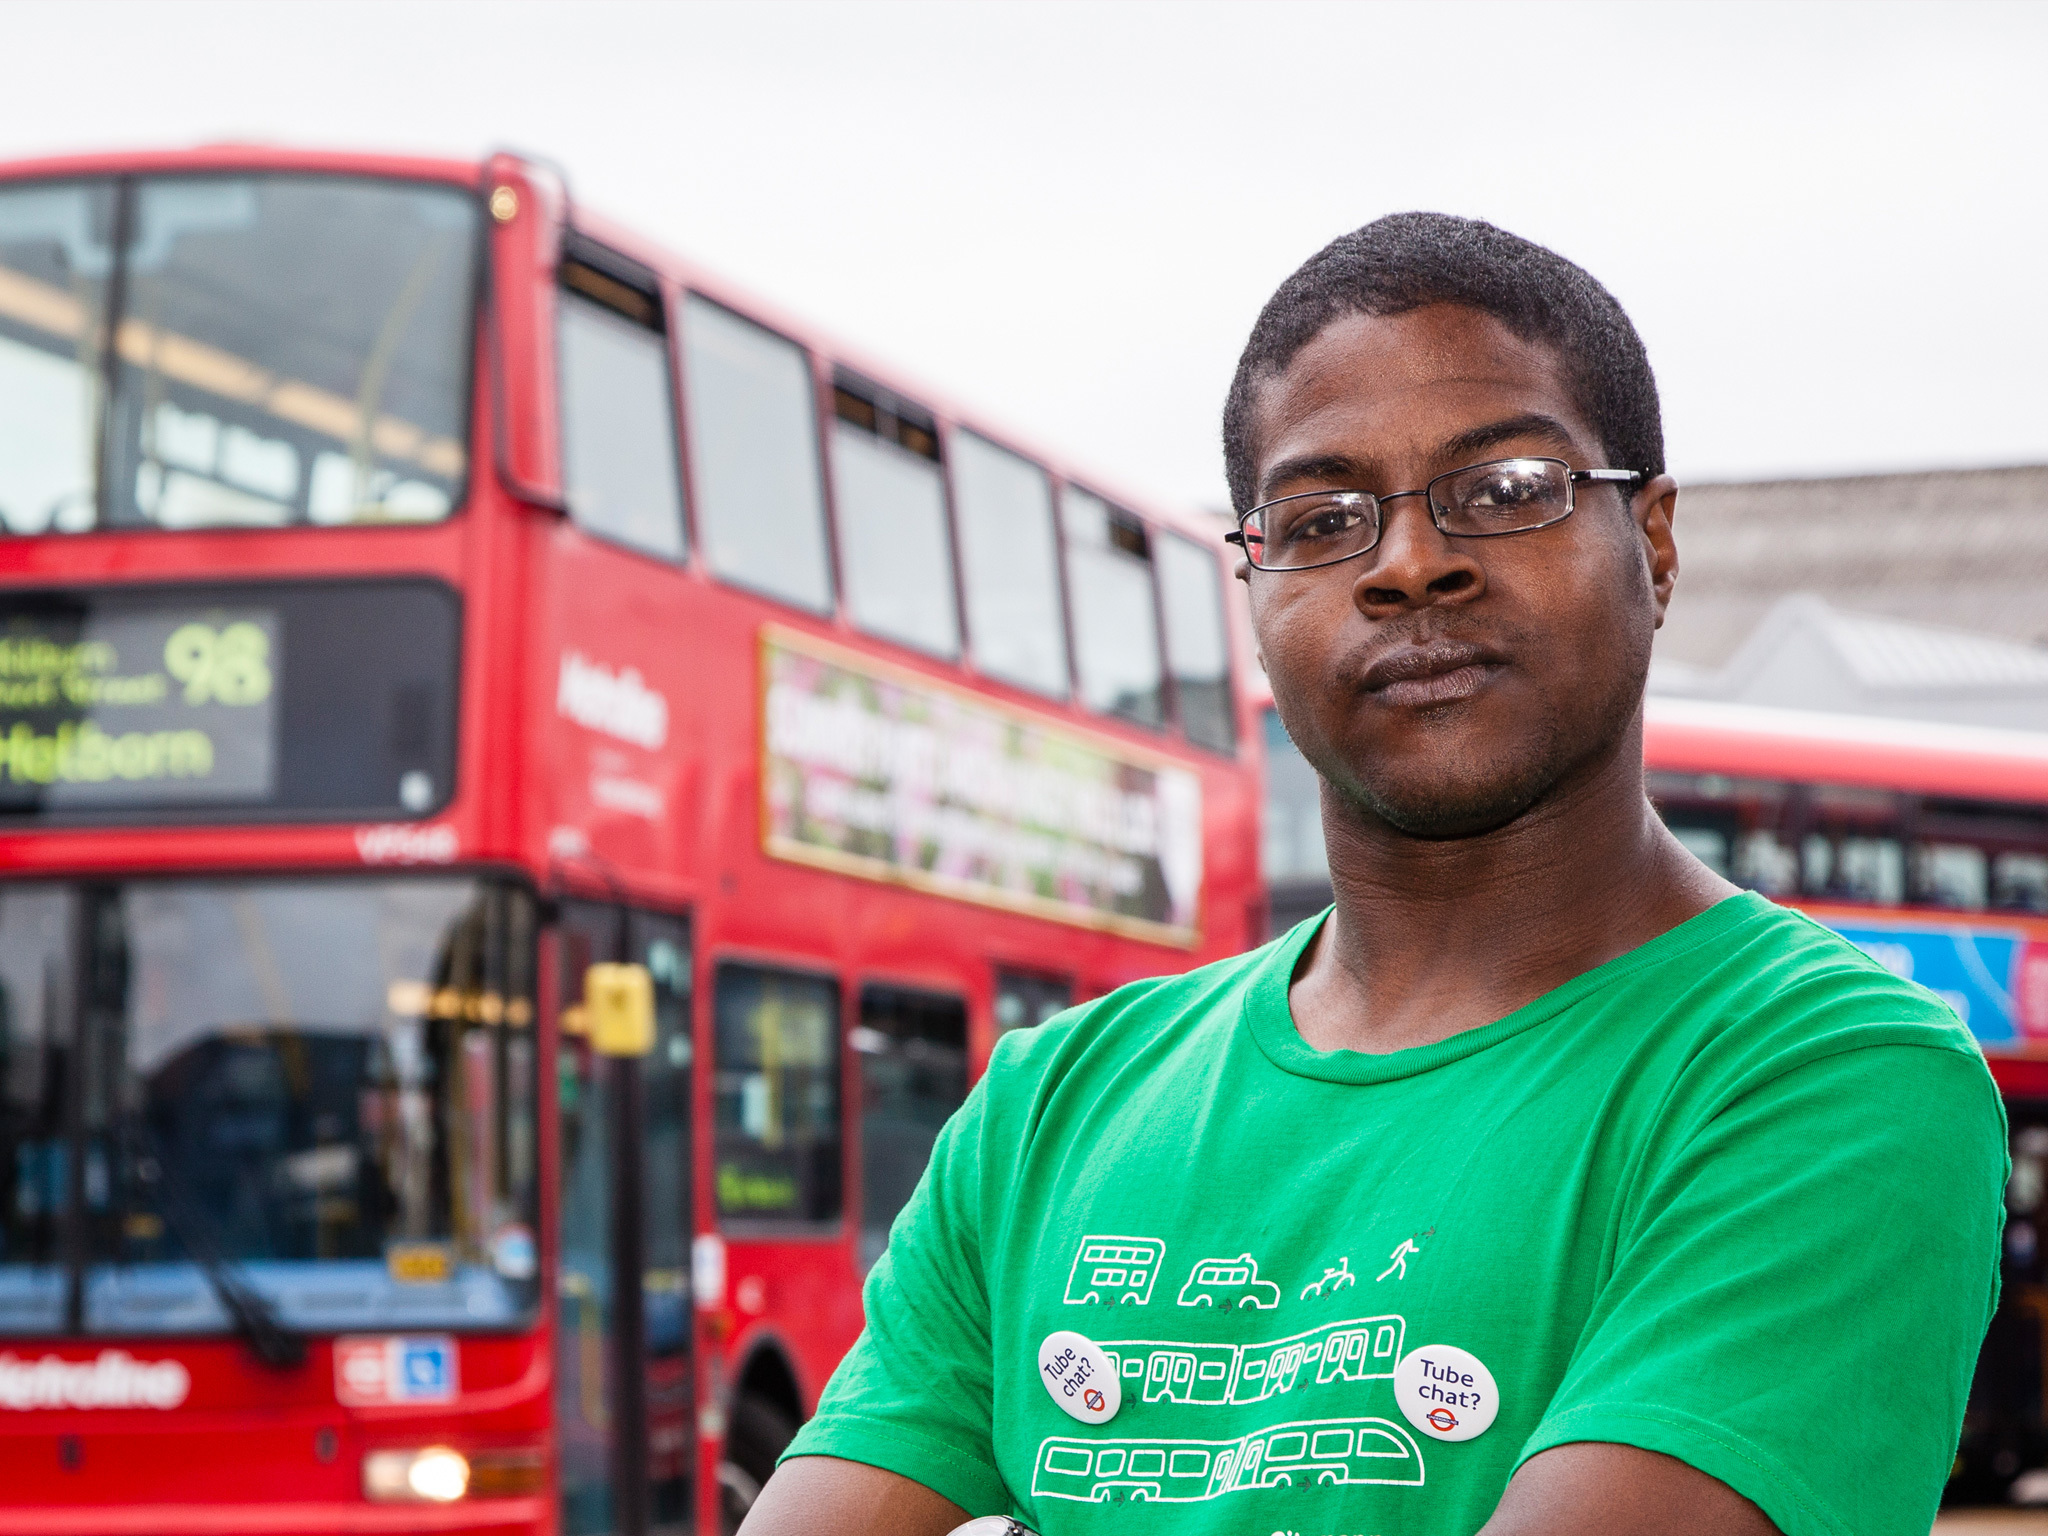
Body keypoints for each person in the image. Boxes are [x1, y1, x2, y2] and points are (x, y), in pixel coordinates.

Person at [742, 214, 2006, 1536]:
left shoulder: (1831, 1078)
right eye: (1323, 518)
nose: (1409, 565)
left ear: (1657, 545)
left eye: (1506, 488)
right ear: (1255, 590)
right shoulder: (1048, 1108)